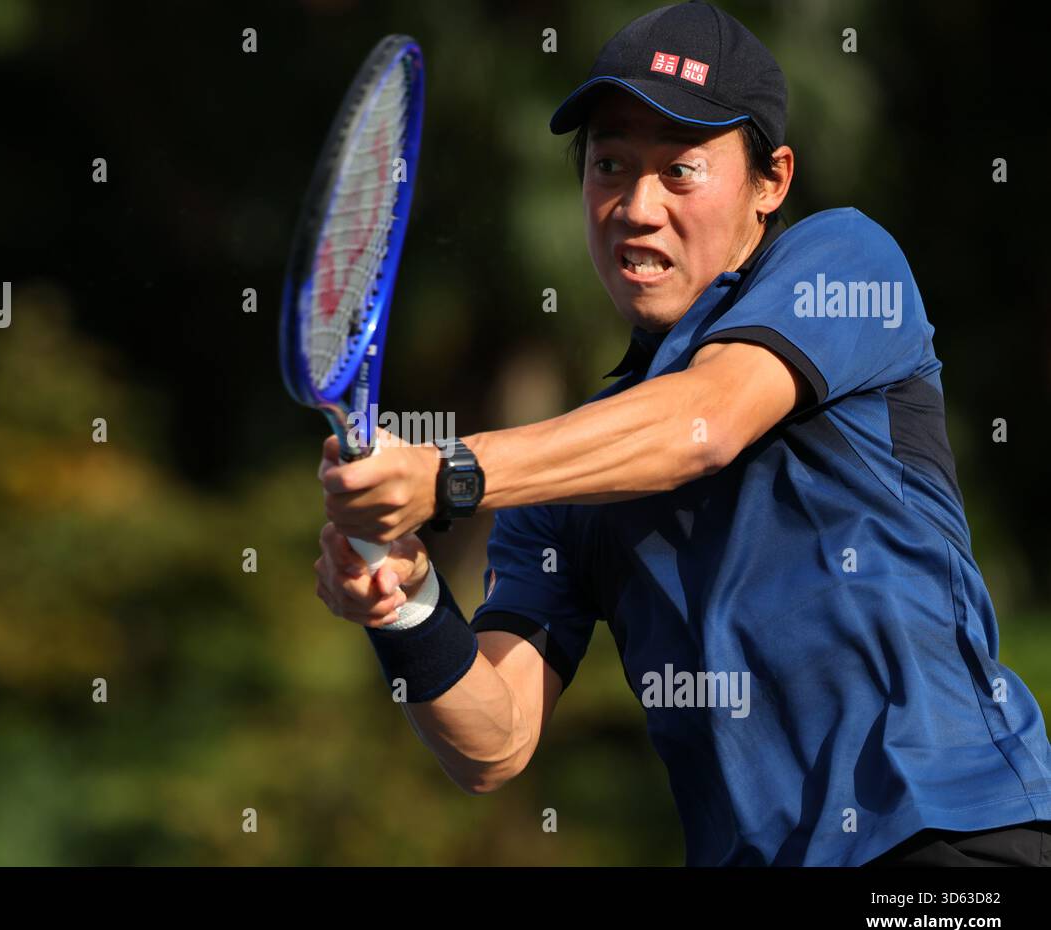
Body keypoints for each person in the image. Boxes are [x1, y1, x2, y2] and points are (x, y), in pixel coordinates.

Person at [312, 0, 1051, 866]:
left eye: (681, 170)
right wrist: (405, 603)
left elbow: (703, 424)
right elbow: (494, 741)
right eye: (610, 164)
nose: (636, 206)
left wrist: (447, 471)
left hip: (953, 842)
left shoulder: (846, 263)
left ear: (770, 181)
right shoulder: (567, 474)